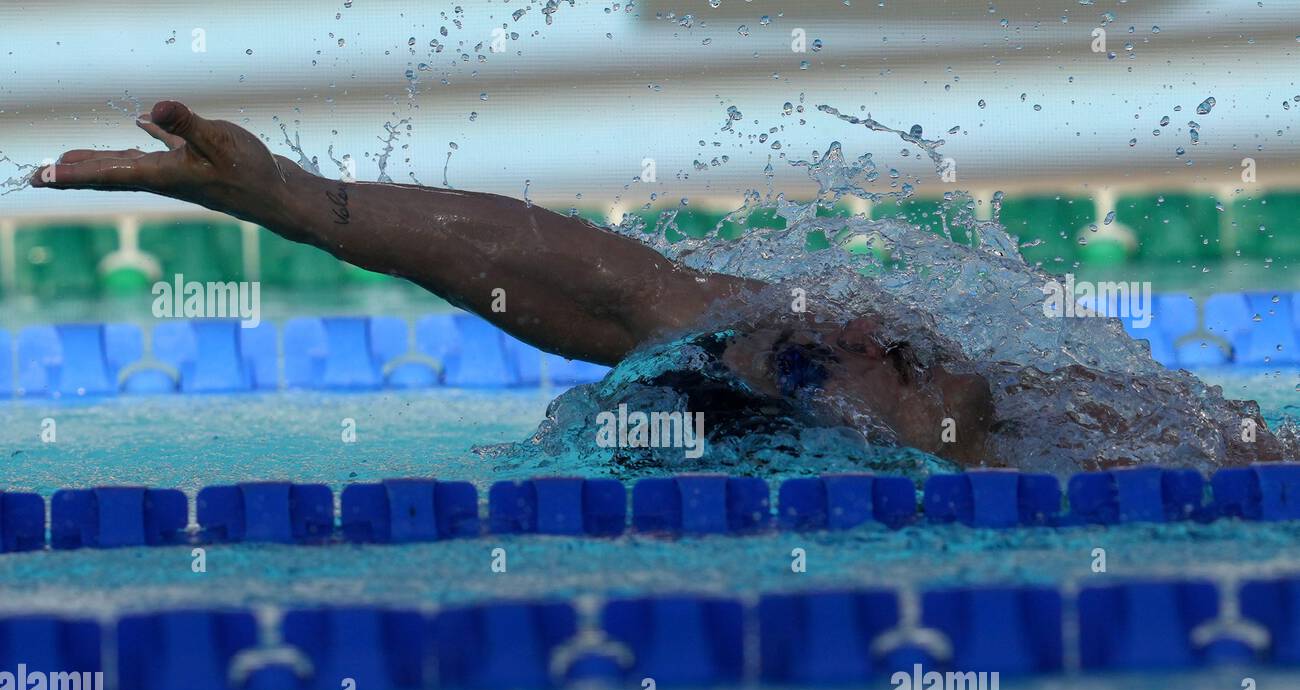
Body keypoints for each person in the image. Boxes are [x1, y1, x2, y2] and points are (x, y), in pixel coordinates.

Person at [33, 101, 1283, 471]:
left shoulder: (1056, 415)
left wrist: (312, 204)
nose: (842, 322)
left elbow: (621, 287)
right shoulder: (1057, 490)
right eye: (805, 365)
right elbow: (595, 304)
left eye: (808, 331)